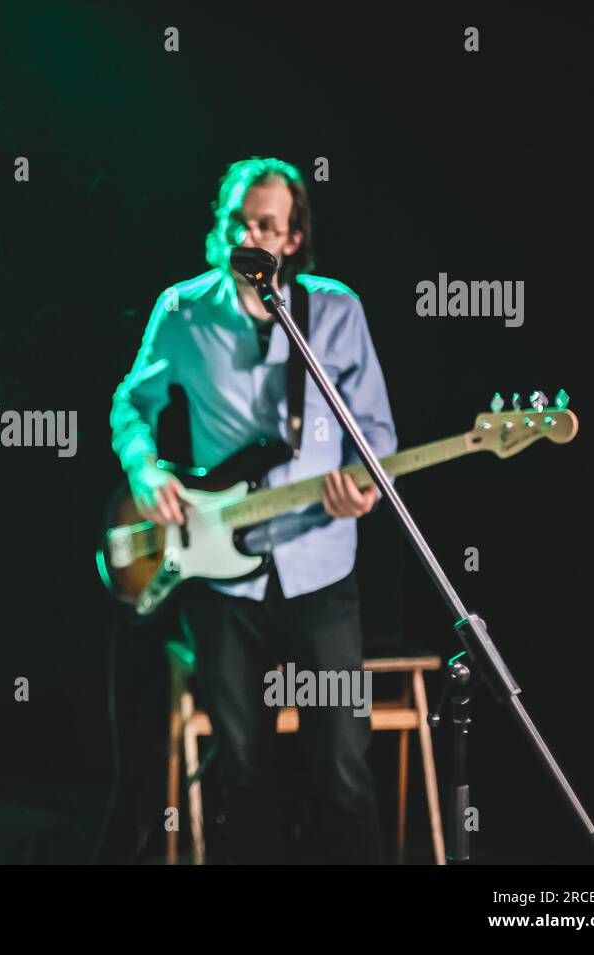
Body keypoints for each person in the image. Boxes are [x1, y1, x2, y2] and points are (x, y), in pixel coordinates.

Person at [109, 157, 396, 863]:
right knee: (245, 770)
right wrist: (145, 468)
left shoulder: (334, 310)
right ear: (219, 227)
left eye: (268, 223)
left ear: (293, 238)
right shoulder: (182, 310)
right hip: (224, 582)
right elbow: (131, 403)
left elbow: (378, 435)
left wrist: (363, 487)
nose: (251, 233)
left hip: (320, 568)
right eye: (239, 219)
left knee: (343, 764)